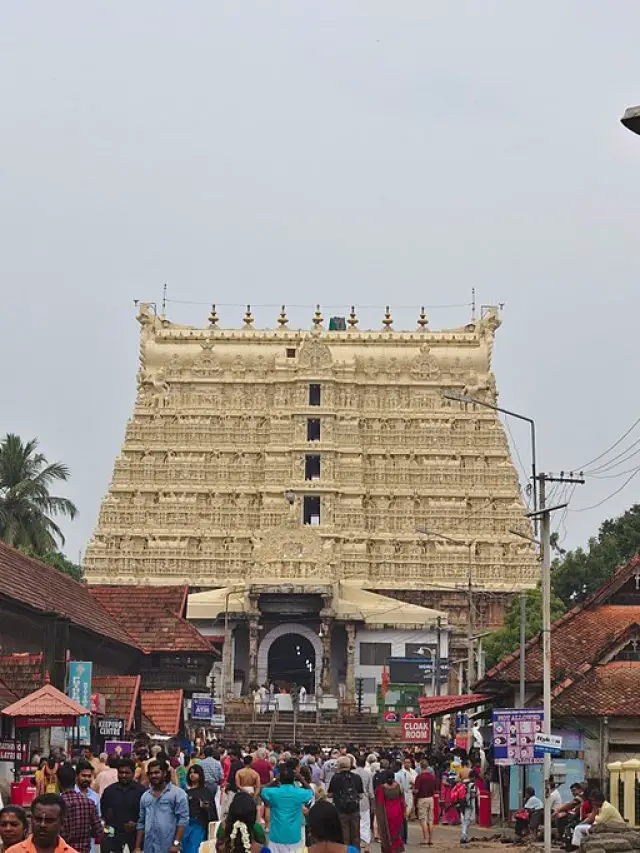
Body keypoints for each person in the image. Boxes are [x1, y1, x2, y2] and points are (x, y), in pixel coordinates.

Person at [135, 759, 189, 853]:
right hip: (149, 847)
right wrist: (137, 847)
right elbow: (141, 823)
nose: (153, 776)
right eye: (151, 773)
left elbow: (183, 820)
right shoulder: (145, 796)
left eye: (157, 772)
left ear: (164, 773)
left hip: (169, 848)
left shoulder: (178, 794)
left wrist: (175, 844)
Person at [261, 762, 312, 853]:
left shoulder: (273, 792)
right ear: (293, 779)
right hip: (294, 836)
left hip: (276, 836)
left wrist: (274, 780)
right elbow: (310, 792)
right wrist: (301, 779)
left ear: (280, 779)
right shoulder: (299, 792)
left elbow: (262, 790)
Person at [101, 757, 146, 853]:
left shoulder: (142, 791)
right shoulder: (109, 791)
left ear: (133, 774)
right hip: (114, 835)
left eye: (127, 773)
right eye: (121, 772)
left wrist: (136, 825)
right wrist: (108, 840)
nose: (124, 775)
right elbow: (105, 817)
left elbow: (148, 815)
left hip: (135, 836)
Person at [5, 794, 78, 853]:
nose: (42, 825)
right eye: (38, 819)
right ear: (31, 819)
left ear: (62, 823)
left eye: (49, 821)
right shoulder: (13, 851)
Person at [58, 763, 103, 853]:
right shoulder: (89, 803)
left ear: (58, 782)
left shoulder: (58, 803)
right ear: (76, 778)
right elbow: (99, 831)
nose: (86, 778)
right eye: (84, 775)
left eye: (89, 776)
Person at [328, 756, 363, 851]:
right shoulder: (356, 777)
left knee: (344, 836)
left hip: (340, 810)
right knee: (355, 836)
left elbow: (330, 794)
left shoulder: (335, 778)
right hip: (355, 810)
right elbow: (361, 795)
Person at [183, 765, 217, 853]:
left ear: (200, 775)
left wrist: (205, 807)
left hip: (200, 825)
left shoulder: (206, 791)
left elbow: (212, 810)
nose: (192, 775)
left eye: (195, 772)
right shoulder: (186, 792)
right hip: (187, 826)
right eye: (190, 773)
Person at [375, 771, 405, 853]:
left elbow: (380, 803)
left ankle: (389, 849)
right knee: (396, 831)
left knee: (387, 832)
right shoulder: (398, 786)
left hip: (387, 813)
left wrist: (378, 815)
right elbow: (402, 801)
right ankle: (397, 849)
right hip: (398, 812)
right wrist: (403, 812)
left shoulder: (381, 788)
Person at [413, 759, 437, 847]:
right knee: (430, 819)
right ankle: (431, 839)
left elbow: (417, 790)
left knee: (423, 819)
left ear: (420, 766)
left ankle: (425, 839)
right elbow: (435, 788)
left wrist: (412, 790)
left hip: (422, 799)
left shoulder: (419, 777)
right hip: (431, 798)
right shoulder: (432, 776)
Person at [354, 757, 373, 853]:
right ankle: (366, 844)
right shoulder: (368, 774)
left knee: (355, 822)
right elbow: (370, 791)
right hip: (365, 800)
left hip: (353, 800)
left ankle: (357, 843)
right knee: (365, 823)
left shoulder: (352, 773)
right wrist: (372, 803)